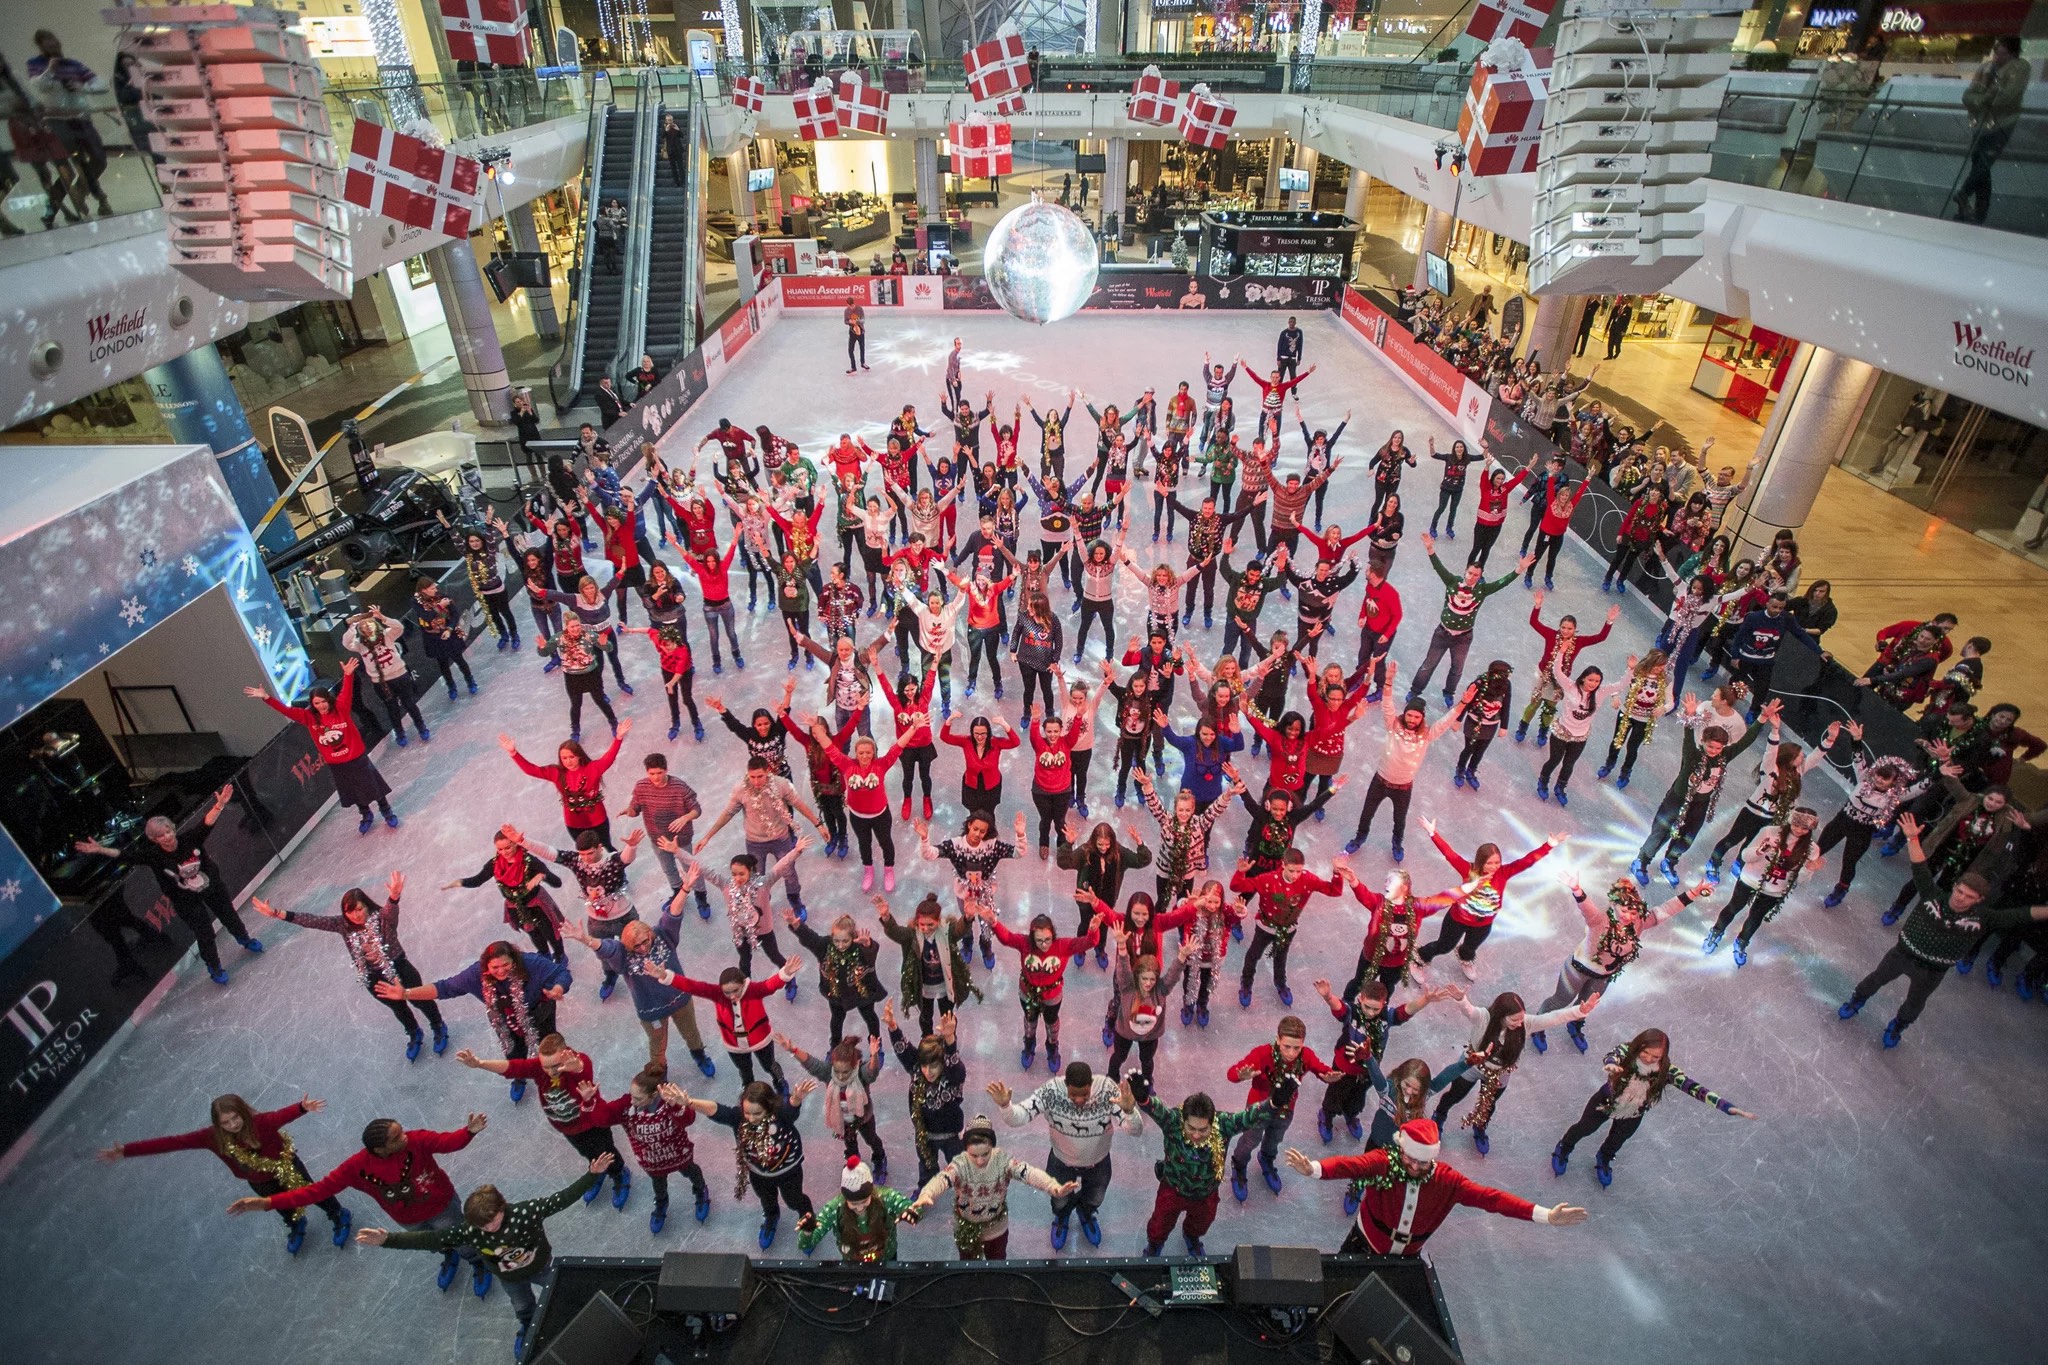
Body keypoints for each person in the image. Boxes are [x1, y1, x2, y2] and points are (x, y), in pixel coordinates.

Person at [359, 1153, 615, 1358]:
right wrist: (387, 1240)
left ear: (502, 1206)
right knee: (522, 1305)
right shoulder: (471, 1229)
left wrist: (590, 1176)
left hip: (540, 1266)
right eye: (483, 1226)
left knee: (565, 1291)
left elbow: (561, 1199)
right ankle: (527, 1324)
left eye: (492, 1221)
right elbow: (432, 1238)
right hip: (508, 1277)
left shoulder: (527, 1212)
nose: (489, 1228)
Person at [229, 1112, 492, 1291]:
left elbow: (446, 1142)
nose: (406, 1137)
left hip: (441, 1205)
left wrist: (468, 1132)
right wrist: (267, 1203)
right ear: (380, 1149)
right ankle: (447, 1255)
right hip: (407, 1218)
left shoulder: (418, 1140)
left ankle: (476, 1261)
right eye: (397, 1138)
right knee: (427, 1240)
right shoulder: (356, 1168)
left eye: (402, 1132)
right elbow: (316, 1191)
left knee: (461, 1238)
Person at [1283, 1119, 1588, 1253]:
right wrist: (1313, 1169)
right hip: (1365, 1241)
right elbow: (1350, 1165)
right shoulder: (1384, 1162)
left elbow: (1491, 1199)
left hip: (1409, 1254)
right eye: (1410, 1159)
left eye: (1422, 1162)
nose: (1415, 1166)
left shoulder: (1447, 1182)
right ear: (1400, 1149)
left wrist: (1545, 1215)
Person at [103, 1093, 351, 1254]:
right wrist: (127, 1151)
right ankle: (295, 1223)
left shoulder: (261, 1123)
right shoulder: (211, 1138)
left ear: (243, 1113)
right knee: (276, 1204)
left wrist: (301, 1107)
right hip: (258, 1180)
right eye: (226, 1122)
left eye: (235, 1118)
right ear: (218, 1124)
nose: (233, 1125)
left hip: (287, 1167)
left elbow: (281, 1115)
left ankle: (338, 1213)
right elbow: (173, 1142)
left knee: (310, 1193)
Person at [74, 783, 262, 987]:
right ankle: (214, 967)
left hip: (211, 886)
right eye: (161, 836)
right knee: (205, 932)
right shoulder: (153, 855)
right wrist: (100, 849)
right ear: (154, 839)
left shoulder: (189, 839)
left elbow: (206, 824)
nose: (167, 837)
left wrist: (220, 805)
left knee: (228, 914)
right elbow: (125, 856)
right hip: (185, 900)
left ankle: (244, 939)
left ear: (173, 829)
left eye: (169, 832)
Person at [249, 875, 446, 1062]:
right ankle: (413, 1031)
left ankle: (437, 1024)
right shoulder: (342, 925)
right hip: (373, 977)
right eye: (349, 911)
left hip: (399, 969)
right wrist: (275, 913)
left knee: (419, 998)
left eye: (359, 909)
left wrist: (394, 896)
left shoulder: (382, 919)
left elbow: (391, 909)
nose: (355, 915)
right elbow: (311, 920)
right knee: (398, 1007)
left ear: (366, 906)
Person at [1550, 1029, 1756, 1187]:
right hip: (1606, 1101)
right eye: (1645, 1053)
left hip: (1634, 1112)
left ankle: (1604, 1158)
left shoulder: (1667, 1071)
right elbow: (1613, 1055)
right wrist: (1611, 1064)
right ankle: (1565, 1146)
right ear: (1639, 1046)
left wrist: (1726, 1107)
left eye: (1655, 1057)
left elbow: (1694, 1088)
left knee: (1618, 1139)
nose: (1648, 1059)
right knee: (1585, 1127)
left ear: (1663, 1056)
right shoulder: (1627, 1052)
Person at [1528, 872, 1707, 1054]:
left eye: (1632, 912)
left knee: (1586, 1004)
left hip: (1604, 976)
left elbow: (1665, 910)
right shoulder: (1599, 920)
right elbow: (1586, 907)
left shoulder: (1639, 923)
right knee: (1561, 1000)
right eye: (1624, 911)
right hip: (1577, 970)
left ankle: (1575, 1024)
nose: (1628, 916)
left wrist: (1693, 893)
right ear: (1614, 906)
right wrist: (1576, 889)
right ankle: (1539, 1023)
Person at [376, 942, 572, 1101]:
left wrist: (558, 989)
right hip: (504, 1020)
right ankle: (518, 1076)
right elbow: (444, 988)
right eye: (495, 967)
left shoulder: (531, 963)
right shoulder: (475, 975)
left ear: (514, 959)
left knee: (548, 1045)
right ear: (486, 966)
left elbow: (562, 973)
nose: (501, 971)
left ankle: (557, 1072)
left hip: (538, 1013)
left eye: (506, 964)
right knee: (512, 1050)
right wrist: (406, 993)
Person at [989, 1062, 1139, 1251]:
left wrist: (1129, 1111)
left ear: (1091, 1085)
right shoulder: (1051, 1091)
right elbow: (1020, 1117)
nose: (1078, 1100)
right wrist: (1005, 1106)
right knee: (1059, 1199)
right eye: (1073, 1095)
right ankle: (1062, 1216)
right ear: (1065, 1085)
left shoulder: (1107, 1089)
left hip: (1098, 1162)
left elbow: (1135, 1130)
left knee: (1096, 1197)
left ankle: (1086, 1213)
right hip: (1061, 1161)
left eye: (1084, 1094)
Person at [248, 661, 398, 833]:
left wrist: (348, 675)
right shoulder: (309, 718)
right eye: (316, 703)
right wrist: (267, 698)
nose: (321, 706)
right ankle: (366, 814)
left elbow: (346, 692)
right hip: (337, 764)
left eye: (323, 702)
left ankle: (386, 811)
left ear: (328, 700)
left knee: (373, 786)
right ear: (312, 704)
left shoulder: (341, 709)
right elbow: (286, 711)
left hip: (357, 758)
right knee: (354, 791)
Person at [1132, 1081, 1271, 1256]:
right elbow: (1157, 1110)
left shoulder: (1224, 1125)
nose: (1196, 1135)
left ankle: (1192, 1237)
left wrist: (1273, 1103)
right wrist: (1144, 1098)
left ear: (1212, 1123)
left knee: (1202, 1222)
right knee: (1160, 1222)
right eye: (1191, 1128)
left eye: (1203, 1129)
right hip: (1173, 1189)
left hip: (1206, 1194)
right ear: (1183, 1120)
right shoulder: (1173, 1122)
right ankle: (1155, 1244)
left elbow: (1249, 1117)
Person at [909, 1113, 1072, 1261]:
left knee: (997, 1261)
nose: (980, 1161)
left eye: (985, 1154)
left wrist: (1052, 1186)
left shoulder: (1002, 1161)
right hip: (966, 1229)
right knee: (967, 1264)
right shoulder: (960, 1164)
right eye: (974, 1155)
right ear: (966, 1150)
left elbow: (1028, 1172)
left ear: (992, 1147)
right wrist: (927, 1192)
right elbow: (942, 1179)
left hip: (997, 1230)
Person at [1407, 536, 1530, 705]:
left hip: (1463, 638)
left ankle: (1449, 693)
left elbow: (1502, 583)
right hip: (1442, 633)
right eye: (1470, 573)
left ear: (1480, 577)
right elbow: (1438, 567)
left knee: (1457, 669)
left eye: (1476, 575)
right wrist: (1430, 550)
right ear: (1465, 571)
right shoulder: (1452, 582)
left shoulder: (1482, 590)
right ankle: (1415, 691)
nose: (1472, 577)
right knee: (1428, 664)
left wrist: (1519, 570)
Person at [591, 1071, 712, 1231]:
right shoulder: (627, 1106)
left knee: (691, 1171)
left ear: (654, 1094)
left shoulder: (669, 1103)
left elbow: (688, 1120)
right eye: (632, 1096)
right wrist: (590, 1099)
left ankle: (700, 1190)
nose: (632, 1101)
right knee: (658, 1184)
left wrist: (676, 1105)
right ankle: (661, 1202)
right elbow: (602, 1119)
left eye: (638, 1098)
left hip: (678, 1154)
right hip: (652, 1161)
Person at [781, 1033, 888, 1178]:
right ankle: (854, 1160)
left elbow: (872, 1072)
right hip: (842, 1119)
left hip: (863, 1117)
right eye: (837, 1071)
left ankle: (879, 1157)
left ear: (855, 1064)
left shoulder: (861, 1074)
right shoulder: (828, 1073)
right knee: (850, 1144)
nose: (841, 1076)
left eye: (846, 1072)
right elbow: (811, 1063)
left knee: (871, 1138)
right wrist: (793, 1050)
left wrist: (874, 1056)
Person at [1957, 35, 2029, 225]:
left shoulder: (2019, 68)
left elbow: (2006, 98)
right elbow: (1968, 96)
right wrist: (1985, 100)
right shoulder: (1987, 68)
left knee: (1984, 162)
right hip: (1981, 123)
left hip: (2002, 123)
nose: (1996, 55)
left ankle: (1965, 193)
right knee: (1981, 164)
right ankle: (1977, 208)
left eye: (2001, 52)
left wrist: (1982, 100)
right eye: (1996, 51)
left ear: (2012, 53)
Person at [798, 1155, 918, 1261]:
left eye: (864, 1201)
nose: (860, 1208)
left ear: (871, 1193)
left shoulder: (887, 1198)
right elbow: (806, 1245)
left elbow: (911, 1208)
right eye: (853, 1204)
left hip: (887, 1260)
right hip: (852, 1266)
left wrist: (911, 1212)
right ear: (845, 1199)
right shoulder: (834, 1208)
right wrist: (807, 1233)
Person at [1276, 315, 1304, 383]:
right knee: (1280, 376)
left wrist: (1299, 358)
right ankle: (1278, 392)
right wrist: (1278, 359)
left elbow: (1300, 345)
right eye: (1290, 322)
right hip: (1283, 358)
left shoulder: (1299, 332)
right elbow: (1279, 345)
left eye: (1293, 322)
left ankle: (1294, 393)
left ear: (1295, 323)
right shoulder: (1284, 332)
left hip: (1293, 359)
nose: (1292, 323)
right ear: (1288, 322)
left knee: (1293, 377)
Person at [845, 298, 868, 373]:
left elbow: (863, 320)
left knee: (862, 348)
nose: (850, 307)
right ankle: (853, 367)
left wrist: (856, 321)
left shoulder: (859, 309)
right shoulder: (846, 311)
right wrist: (849, 321)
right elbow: (845, 321)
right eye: (849, 306)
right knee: (850, 350)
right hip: (852, 332)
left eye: (850, 305)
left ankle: (863, 363)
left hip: (860, 331)